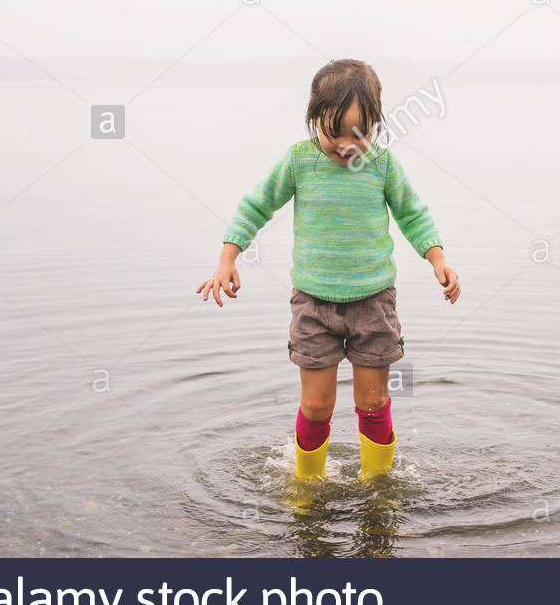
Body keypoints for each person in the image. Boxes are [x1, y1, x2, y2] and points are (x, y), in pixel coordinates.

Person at [196, 59, 460, 480]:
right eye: (334, 131)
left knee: (373, 402)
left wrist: (437, 258)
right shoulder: (299, 162)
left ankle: (377, 488)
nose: (345, 144)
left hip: (373, 302)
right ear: (314, 117)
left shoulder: (382, 165)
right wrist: (228, 257)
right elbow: (257, 204)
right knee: (316, 405)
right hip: (313, 304)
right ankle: (306, 487)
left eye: (360, 133)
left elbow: (413, 213)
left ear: (375, 124)